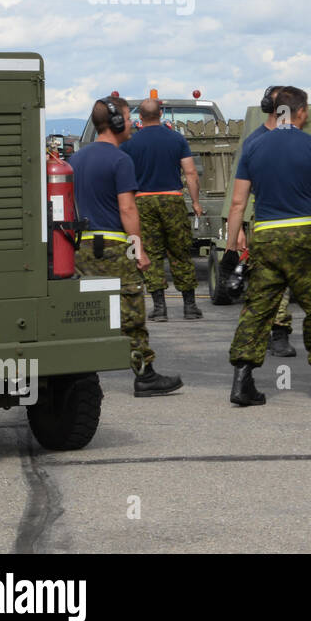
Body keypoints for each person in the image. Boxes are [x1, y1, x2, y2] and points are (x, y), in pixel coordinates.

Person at [222, 86, 311, 406]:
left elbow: (238, 203)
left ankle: (242, 381)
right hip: (305, 235)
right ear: (301, 112)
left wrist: (230, 251)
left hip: (266, 237)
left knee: (257, 308)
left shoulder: (253, 147)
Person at [70, 94, 183, 397]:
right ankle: (145, 375)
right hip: (114, 247)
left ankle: (74, 375)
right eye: (126, 117)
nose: (132, 123)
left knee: (85, 312)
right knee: (131, 311)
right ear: (117, 122)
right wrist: (139, 250)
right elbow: (128, 210)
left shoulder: (76, 159)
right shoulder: (121, 159)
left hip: (81, 247)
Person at [122, 97, 204, 322]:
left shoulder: (130, 143)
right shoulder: (176, 139)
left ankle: (159, 308)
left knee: (153, 254)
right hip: (173, 199)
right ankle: (190, 306)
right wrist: (195, 202)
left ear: (140, 117)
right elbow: (190, 173)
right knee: (180, 252)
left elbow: (125, 177)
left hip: (143, 201)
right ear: (161, 114)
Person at [233, 85, 297, 357]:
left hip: (296, 216)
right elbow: (239, 194)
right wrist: (236, 232)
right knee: (271, 277)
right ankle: (277, 332)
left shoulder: (297, 140)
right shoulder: (255, 142)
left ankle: (273, 332)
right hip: (267, 218)